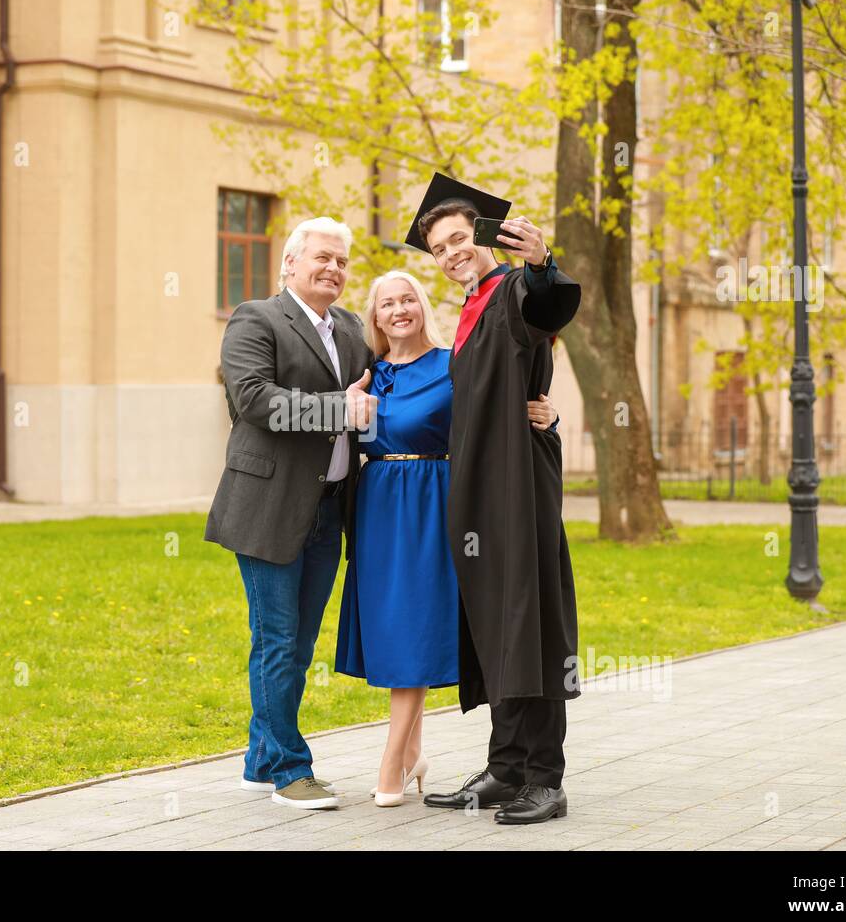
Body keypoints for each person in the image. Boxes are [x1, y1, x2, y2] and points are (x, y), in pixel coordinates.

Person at [334, 269, 559, 807]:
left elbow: (501, 409)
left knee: (416, 627)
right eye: (387, 303)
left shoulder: (452, 367)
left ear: (422, 306)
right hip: (379, 507)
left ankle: (393, 761)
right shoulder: (367, 377)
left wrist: (548, 417)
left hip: (436, 502)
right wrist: (346, 411)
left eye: (408, 298)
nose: (398, 309)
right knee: (392, 629)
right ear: (376, 316)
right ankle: (414, 756)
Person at [408, 174, 583, 825]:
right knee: (494, 622)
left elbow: (550, 306)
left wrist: (541, 262)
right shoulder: (470, 308)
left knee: (528, 620)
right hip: (479, 487)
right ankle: (506, 765)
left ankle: (545, 776)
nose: (451, 252)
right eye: (439, 248)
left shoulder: (512, 290)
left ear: (482, 239)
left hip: (516, 482)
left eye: (459, 239)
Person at [205, 217, 378, 810]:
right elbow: (252, 400)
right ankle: (288, 769)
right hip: (268, 508)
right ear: (289, 264)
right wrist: (339, 408)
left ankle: (258, 759)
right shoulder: (256, 318)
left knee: (299, 644)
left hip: (327, 513)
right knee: (276, 641)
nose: (333, 269)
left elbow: (386, 389)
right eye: (321, 258)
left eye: (341, 262)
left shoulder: (352, 329)